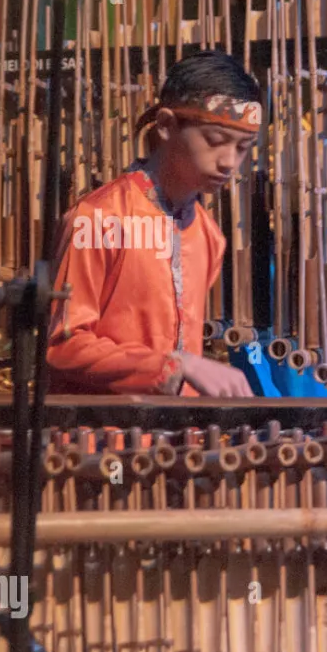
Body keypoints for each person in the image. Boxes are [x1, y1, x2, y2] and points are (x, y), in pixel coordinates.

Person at [47, 50, 258, 397]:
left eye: (243, 147)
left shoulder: (208, 234)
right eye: (217, 141)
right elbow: (62, 344)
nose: (229, 162)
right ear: (166, 125)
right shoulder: (98, 219)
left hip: (174, 443)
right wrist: (176, 367)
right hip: (99, 443)